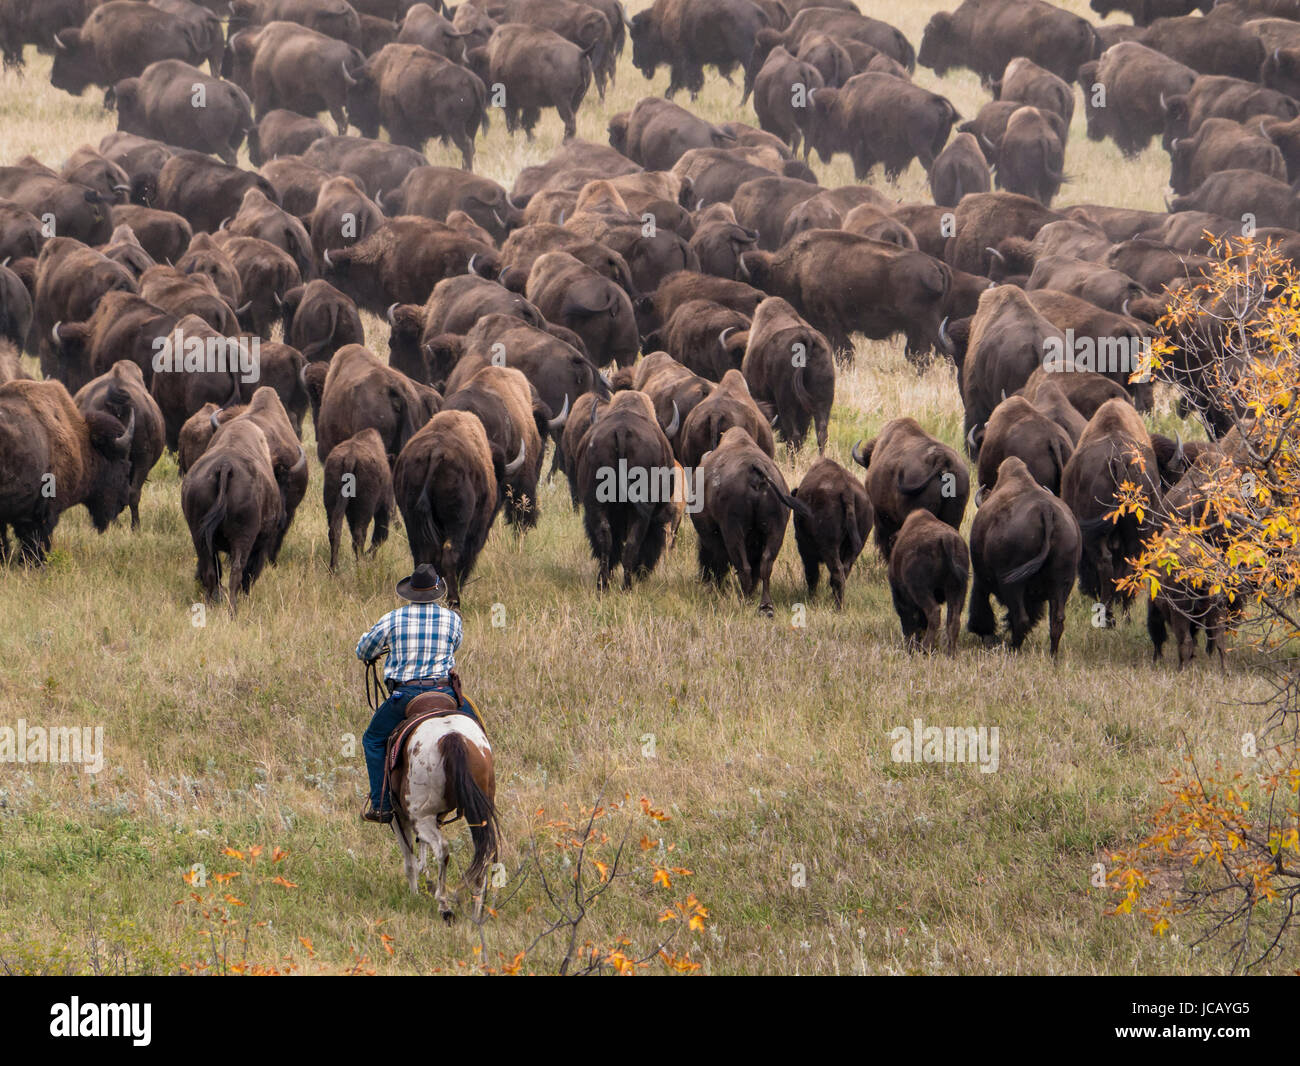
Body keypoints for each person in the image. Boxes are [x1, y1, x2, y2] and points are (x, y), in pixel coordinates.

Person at [354, 563, 480, 823]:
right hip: (445, 693)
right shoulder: (452, 618)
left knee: (373, 739)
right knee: (478, 732)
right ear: (437, 592)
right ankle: (480, 790)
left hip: (407, 697)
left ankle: (381, 804)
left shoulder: (392, 618)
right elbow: (455, 645)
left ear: (411, 591)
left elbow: (363, 650)